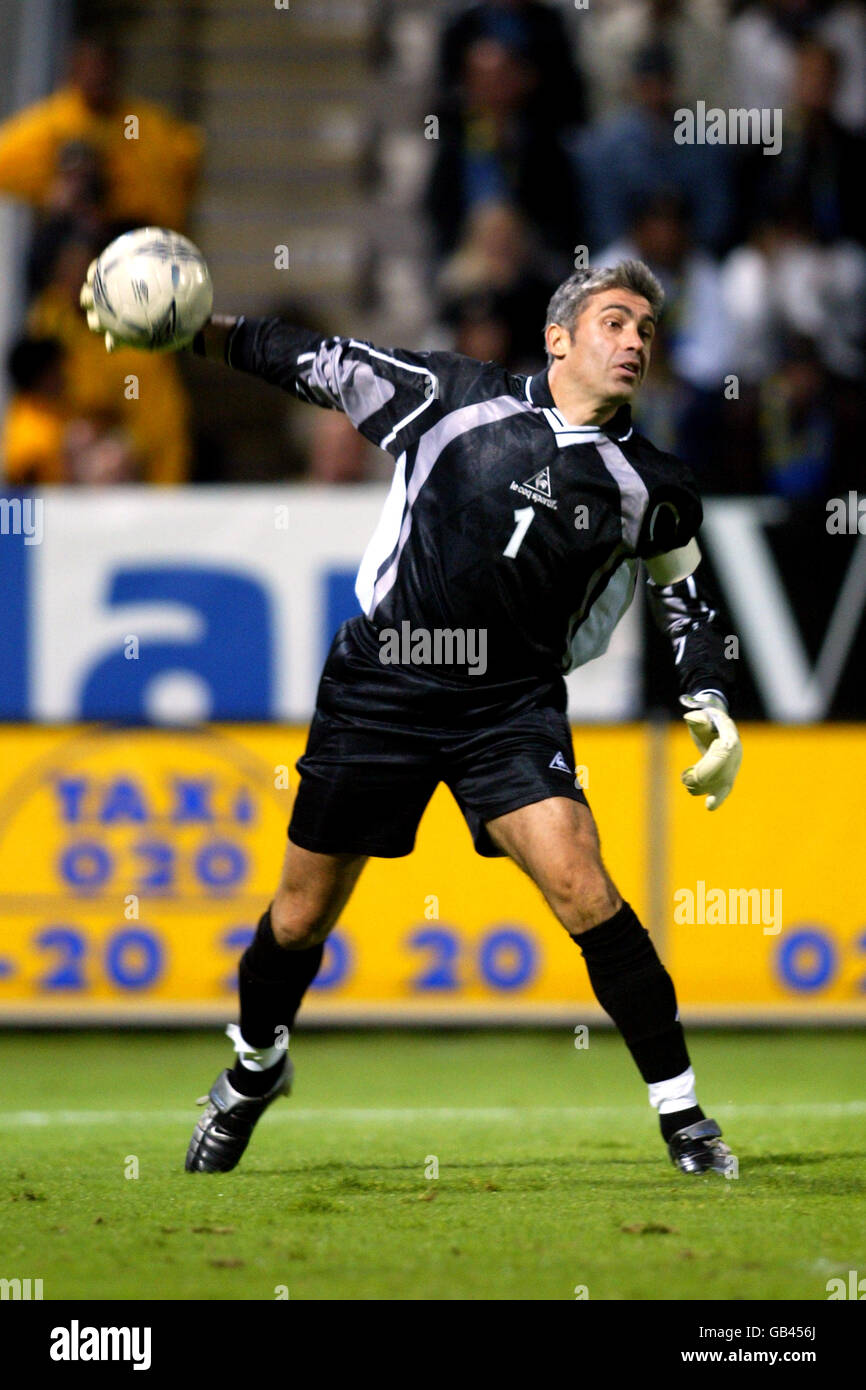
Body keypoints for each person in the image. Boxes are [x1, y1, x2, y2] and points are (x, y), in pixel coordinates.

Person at [82, 260, 745, 1178]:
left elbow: (685, 597)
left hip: (508, 706)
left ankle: (686, 1121)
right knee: (300, 916)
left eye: (645, 329)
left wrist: (708, 701)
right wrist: (194, 330)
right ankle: (253, 1070)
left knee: (584, 887)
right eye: (614, 321)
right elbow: (312, 359)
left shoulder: (652, 484)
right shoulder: (449, 396)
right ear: (559, 338)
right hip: (386, 683)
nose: (634, 341)